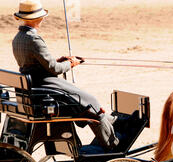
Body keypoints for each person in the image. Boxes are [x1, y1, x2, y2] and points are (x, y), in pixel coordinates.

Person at [12, 0, 119, 150]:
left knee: (81, 98)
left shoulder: (18, 38)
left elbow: (36, 63)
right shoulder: (34, 39)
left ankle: (105, 120)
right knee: (88, 99)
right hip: (45, 84)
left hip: (35, 83)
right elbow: (54, 69)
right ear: (39, 19)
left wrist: (59, 60)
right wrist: (71, 63)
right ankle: (111, 143)